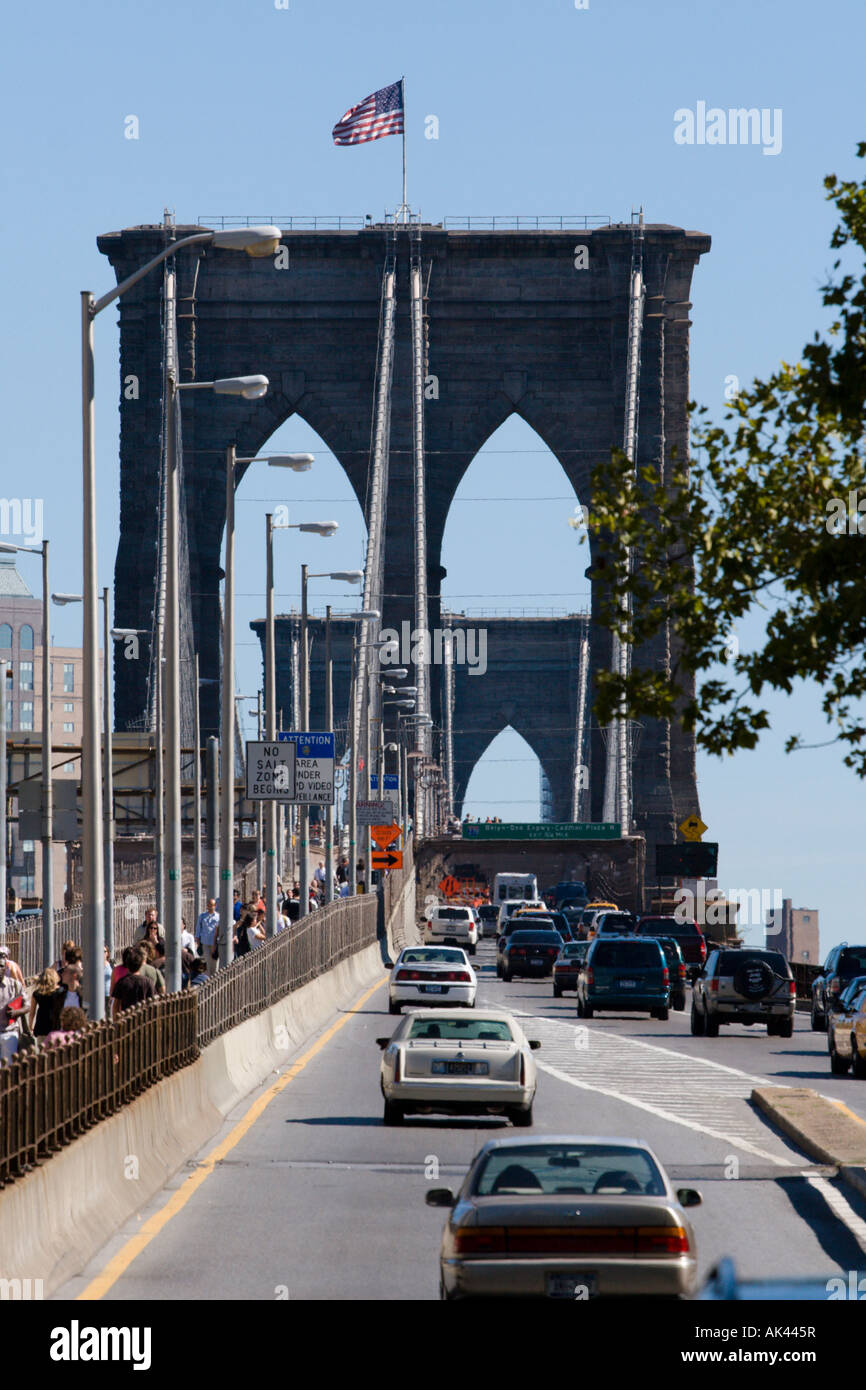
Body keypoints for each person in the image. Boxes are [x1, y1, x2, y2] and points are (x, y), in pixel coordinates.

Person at [111, 945, 155, 1018]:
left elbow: (116, 1005)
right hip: (144, 1020)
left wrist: (117, 1022)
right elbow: (153, 1003)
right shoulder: (148, 982)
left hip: (126, 1019)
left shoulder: (122, 982)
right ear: (141, 965)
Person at [29, 968, 62, 1038]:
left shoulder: (37, 993)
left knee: (43, 1047)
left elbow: (32, 1012)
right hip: (56, 1025)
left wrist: (30, 1025)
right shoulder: (60, 992)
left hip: (41, 1025)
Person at [195, 898, 220, 976]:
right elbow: (198, 929)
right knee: (206, 963)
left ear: (215, 906)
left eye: (212, 905)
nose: (210, 907)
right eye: (209, 905)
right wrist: (198, 941)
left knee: (214, 964)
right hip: (205, 943)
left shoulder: (218, 917)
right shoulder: (202, 916)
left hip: (214, 944)